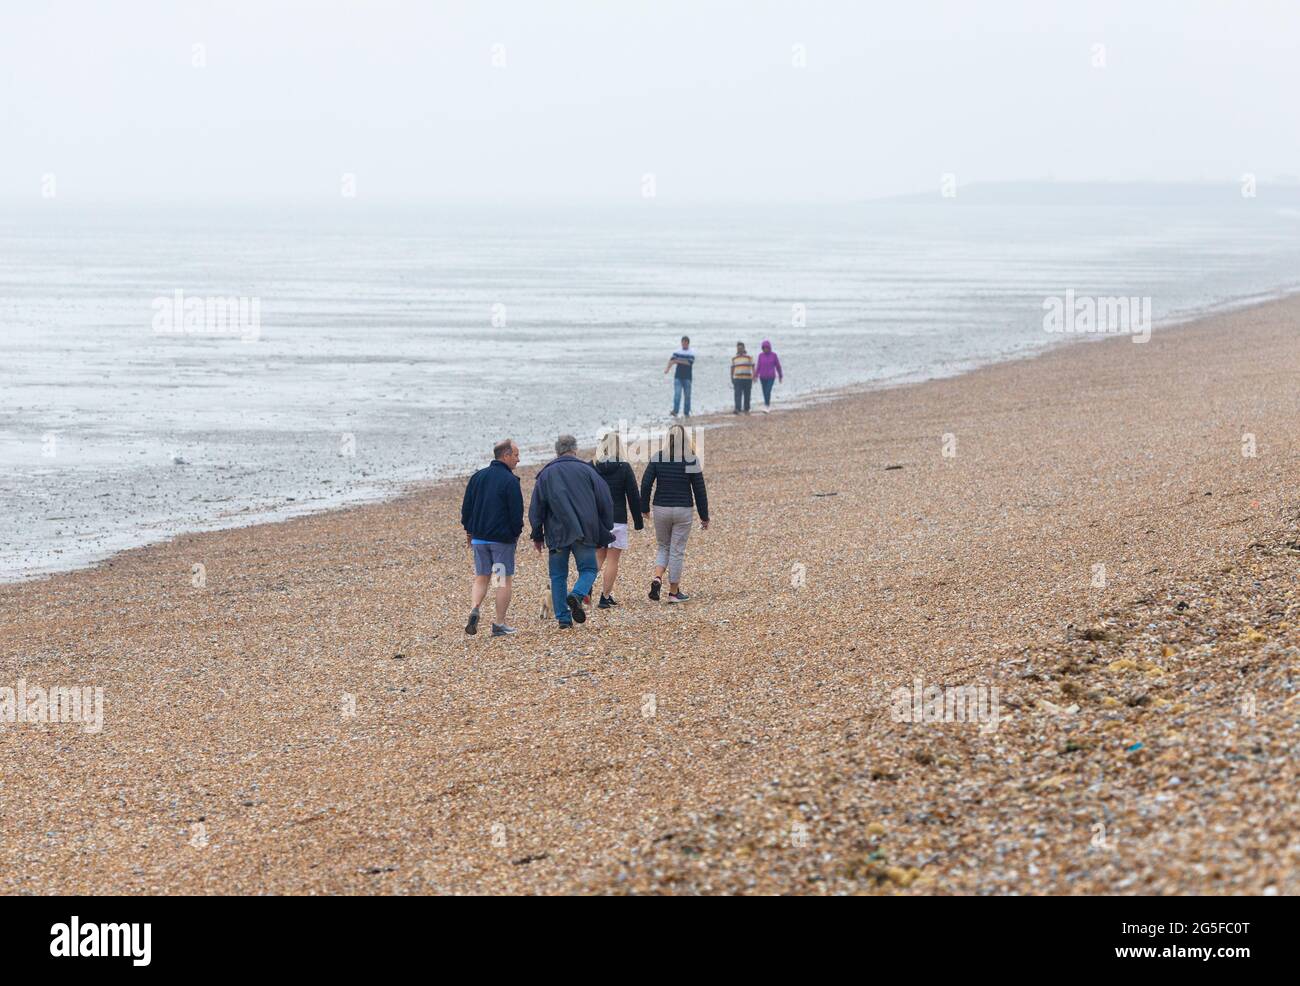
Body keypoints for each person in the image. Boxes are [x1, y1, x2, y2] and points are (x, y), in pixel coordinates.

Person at [529, 434, 614, 628]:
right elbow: (605, 500)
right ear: (575, 450)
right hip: (585, 531)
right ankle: (576, 595)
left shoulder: (546, 474)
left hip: (556, 532)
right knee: (589, 569)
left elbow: (537, 507)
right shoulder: (588, 470)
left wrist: (537, 534)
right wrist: (606, 526)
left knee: (558, 575)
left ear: (557, 451)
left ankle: (564, 619)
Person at [460, 438, 523, 637]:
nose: (518, 460)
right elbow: (516, 512)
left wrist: (469, 531)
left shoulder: (477, 477)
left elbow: (467, 508)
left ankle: (475, 608)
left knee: (481, 577)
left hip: (479, 538)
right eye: (516, 455)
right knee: (501, 581)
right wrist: (516, 534)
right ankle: (499, 623)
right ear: (505, 456)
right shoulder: (510, 480)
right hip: (501, 540)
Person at [640, 423, 709, 603]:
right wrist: (704, 516)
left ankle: (657, 578)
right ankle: (673, 592)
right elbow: (699, 490)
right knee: (677, 550)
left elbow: (646, 483)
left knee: (663, 546)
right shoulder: (691, 459)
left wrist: (644, 508)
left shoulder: (658, 458)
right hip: (683, 509)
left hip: (661, 507)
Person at [592, 430, 643, 609]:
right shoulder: (623, 467)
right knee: (613, 559)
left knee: (598, 556)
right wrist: (638, 521)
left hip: (597, 520)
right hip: (618, 518)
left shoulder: (593, 467)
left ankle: (585, 589)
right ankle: (604, 597)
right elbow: (633, 496)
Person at [664, 335, 696, 417]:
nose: (684, 344)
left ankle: (686, 412)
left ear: (688, 344)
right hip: (678, 376)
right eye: (683, 343)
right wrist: (667, 368)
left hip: (687, 377)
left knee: (687, 396)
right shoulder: (677, 351)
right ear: (681, 343)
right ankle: (675, 411)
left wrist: (677, 361)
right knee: (677, 394)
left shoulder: (691, 352)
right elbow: (672, 360)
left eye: (686, 343)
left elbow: (689, 362)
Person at [755, 339, 783, 412]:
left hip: (771, 377)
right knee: (764, 392)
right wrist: (755, 376)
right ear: (762, 348)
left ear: (769, 347)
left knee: (768, 391)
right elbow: (758, 366)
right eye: (764, 348)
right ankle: (766, 404)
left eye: (767, 348)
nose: (765, 349)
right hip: (762, 377)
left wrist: (780, 376)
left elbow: (778, 366)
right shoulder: (760, 356)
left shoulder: (773, 355)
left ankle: (767, 406)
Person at [730, 342, 754, 414]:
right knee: (737, 394)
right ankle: (737, 408)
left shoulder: (749, 357)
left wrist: (754, 376)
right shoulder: (734, 358)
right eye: (738, 348)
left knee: (747, 394)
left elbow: (753, 366)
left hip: (747, 378)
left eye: (741, 348)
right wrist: (731, 377)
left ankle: (746, 408)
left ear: (744, 348)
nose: (739, 349)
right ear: (737, 349)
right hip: (737, 378)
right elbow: (732, 368)